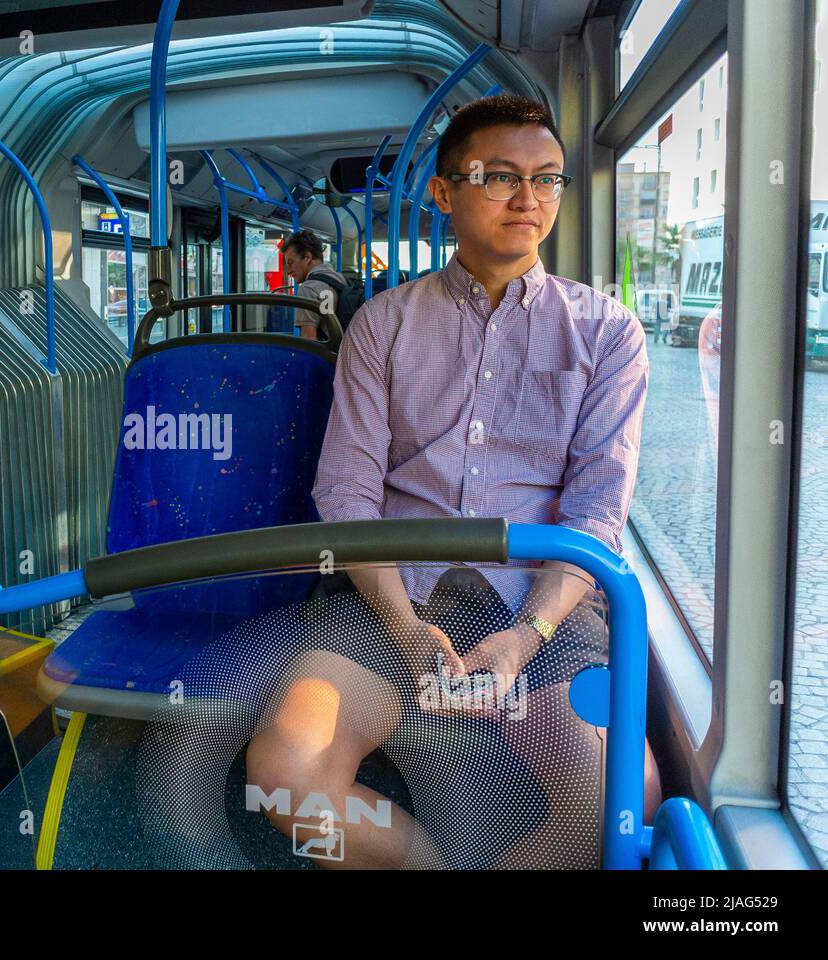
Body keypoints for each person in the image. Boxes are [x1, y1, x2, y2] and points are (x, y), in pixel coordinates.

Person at [246, 94, 662, 869]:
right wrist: (404, 628)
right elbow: (347, 494)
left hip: (539, 607)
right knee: (284, 778)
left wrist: (526, 635)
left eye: (548, 179)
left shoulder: (607, 335)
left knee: (621, 794)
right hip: (392, 597)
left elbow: (598, 513)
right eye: (500, 175)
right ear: (442, 193)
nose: (529, 198)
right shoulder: (384, 325)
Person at [282, 229, 350, 340]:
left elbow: (309, 339)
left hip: (331, 355)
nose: (288, 271)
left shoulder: (308, 288)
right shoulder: (340, 279)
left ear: (307, 257)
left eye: (291, 263)